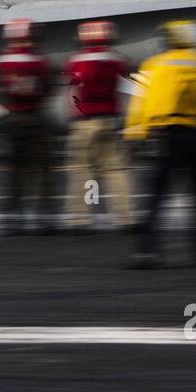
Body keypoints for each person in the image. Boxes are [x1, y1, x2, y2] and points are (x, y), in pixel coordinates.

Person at [125, 20, 196, 268]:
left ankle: (146, 253)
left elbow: (140, 105)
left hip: (163, 138)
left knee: (156, 198)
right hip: (195, 136)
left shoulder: (153, 65)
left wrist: (134, 138)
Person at [63, 20, 134, 233]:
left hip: (85, 123)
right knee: (116, 171)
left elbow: (74, 91)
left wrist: (76, 113)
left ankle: (79, 220)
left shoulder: (76, 61)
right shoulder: (117, 61)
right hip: (110, 121)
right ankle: (126, 218)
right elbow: (124, 80)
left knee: (82, 171)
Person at [0, 18, 57, 235]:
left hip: (13, 120)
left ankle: (12, 218)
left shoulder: (1, 61)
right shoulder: (39, 61)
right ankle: (45, 218)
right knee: (42, 172)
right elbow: (47, 87)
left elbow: (1, 87)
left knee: (15, 173)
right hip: (35, 119)